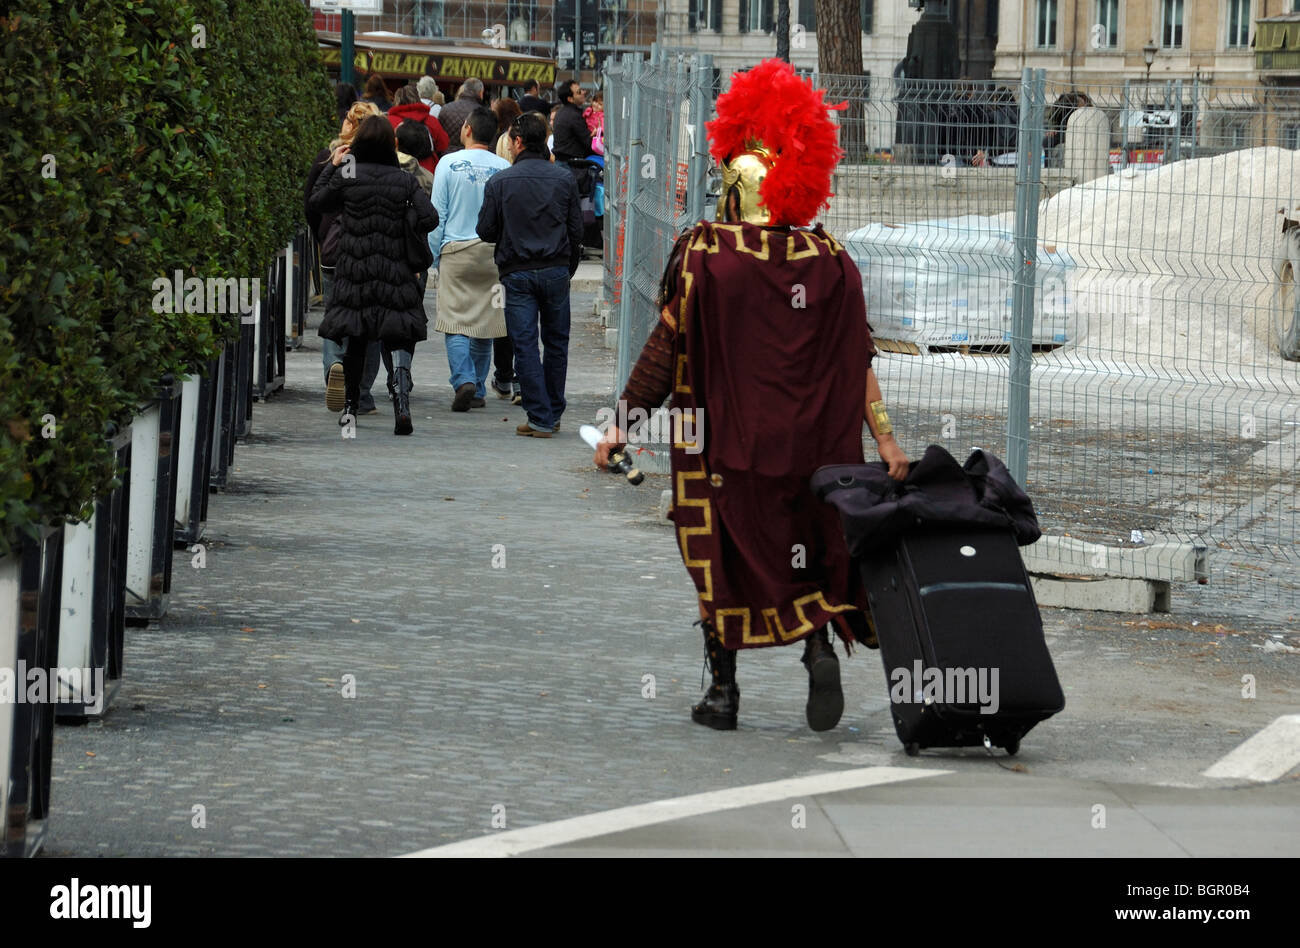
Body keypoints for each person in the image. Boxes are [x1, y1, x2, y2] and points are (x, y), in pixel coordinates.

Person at [593, 59, 910, 733]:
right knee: (802, 547)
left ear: (732, 183)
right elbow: (858, 363)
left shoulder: (704, 254)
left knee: (720, 559)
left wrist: (621, 425)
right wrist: (884, 439)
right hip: (810, 453)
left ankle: (724, 693)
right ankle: (816, 644)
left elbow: (664, 350)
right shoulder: (830, 261)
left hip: (717, 448)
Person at [309, 116, 438, 436]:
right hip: (395, 269)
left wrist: (333, 164)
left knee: (356, 336)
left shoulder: (350, 174)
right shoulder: (404, 180)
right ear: (390, 146)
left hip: (356, 269)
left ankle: (351, 408)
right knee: (398, 335)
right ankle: (402, 400)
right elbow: (429, 218)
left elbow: (318, 202)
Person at [476, 112, 583, 438]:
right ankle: (552, 409)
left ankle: (540, 415)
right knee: (556, 343)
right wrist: (566, 269)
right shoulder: (563, 179)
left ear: (518, 142)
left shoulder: (500, 181)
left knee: (523, 343)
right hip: (555, 270)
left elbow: (485, 230)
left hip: (516, 272)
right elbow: (576, 231)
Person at [428, 107, 511, 412]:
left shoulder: (448, 164)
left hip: (456, 251)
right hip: (492, 255)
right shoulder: (503, 167)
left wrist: (433, 256)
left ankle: (462, 378)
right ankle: (477, 386)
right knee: (486, 324)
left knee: (455, 320)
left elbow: (438, 215)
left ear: (466, 129)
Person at [305, 100, 385, 415]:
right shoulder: (384, 164)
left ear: (350, 126)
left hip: (335, 250)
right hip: (373, 255)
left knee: (335, 314)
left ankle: (334, 367)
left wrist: (323, 236)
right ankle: (361, 393)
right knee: (371, 324)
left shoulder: (331, 158)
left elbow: (312, 204)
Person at [387, 84, 450, 173]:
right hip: (426, 170)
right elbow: (443, 144)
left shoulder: (389, 121)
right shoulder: (431, 120)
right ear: (418, 98)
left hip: (396, 168)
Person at [551, 79, 593, 162]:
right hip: (572, 165)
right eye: (579, 92)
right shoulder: (574, 116)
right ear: (570, 99)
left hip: (562, 162)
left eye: (582, 90)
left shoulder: (560, 112)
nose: (583, 93)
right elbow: (588, 141)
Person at [439, 78, 484, 152]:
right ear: (481, 93)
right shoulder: (481, 113)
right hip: (470, 156)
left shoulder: (445, 109)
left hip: (447, 155)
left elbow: (439, 137)